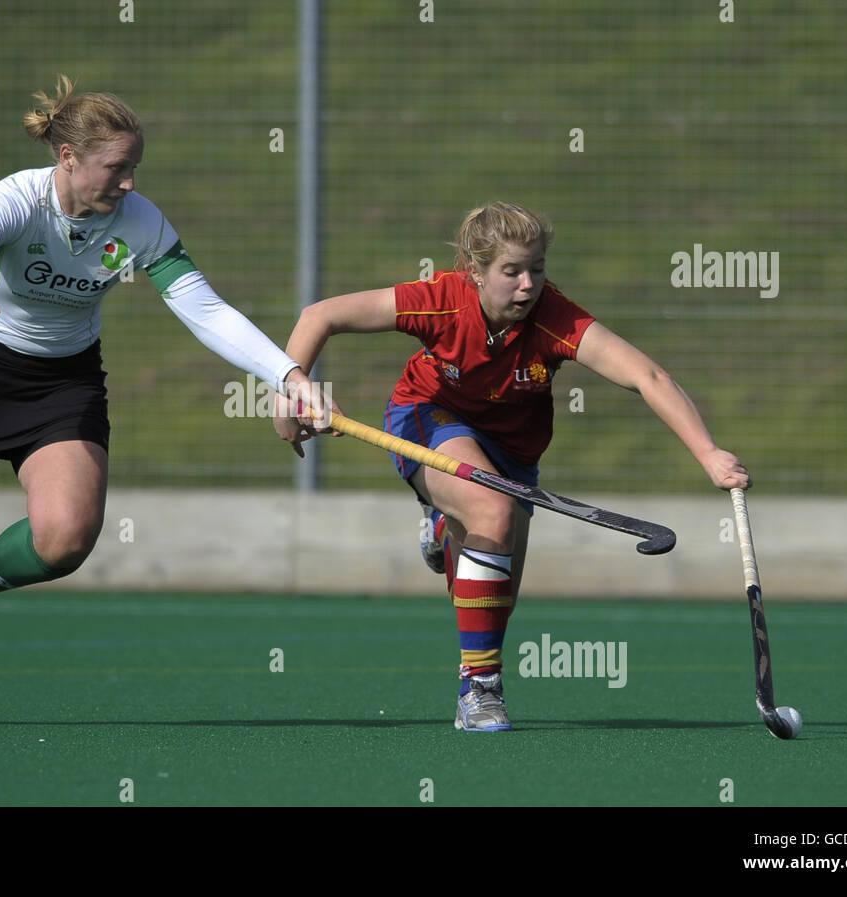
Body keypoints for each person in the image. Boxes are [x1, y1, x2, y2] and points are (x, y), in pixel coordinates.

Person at [0, 75, 327, 724]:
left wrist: (288, 374)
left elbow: (206, 310)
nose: (129, 183)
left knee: (67, 538)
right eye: (117, 167)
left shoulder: (140, 223)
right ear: (68, 159)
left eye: (135, 168)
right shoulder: (19, 199)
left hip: (64, 382)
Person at [274, 201, 750, 732]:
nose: (528, 285)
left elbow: (647, 376)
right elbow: (320, 315)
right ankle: (479, 691)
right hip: (429, 417)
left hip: (515, 456)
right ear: (474, 272)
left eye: (538, 269)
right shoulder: (441, 301)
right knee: (493, 511)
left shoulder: (555, 317)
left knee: (492, 593)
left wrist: (708, 453)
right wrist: (286, 393)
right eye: (512, 272)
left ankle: (443, 524)